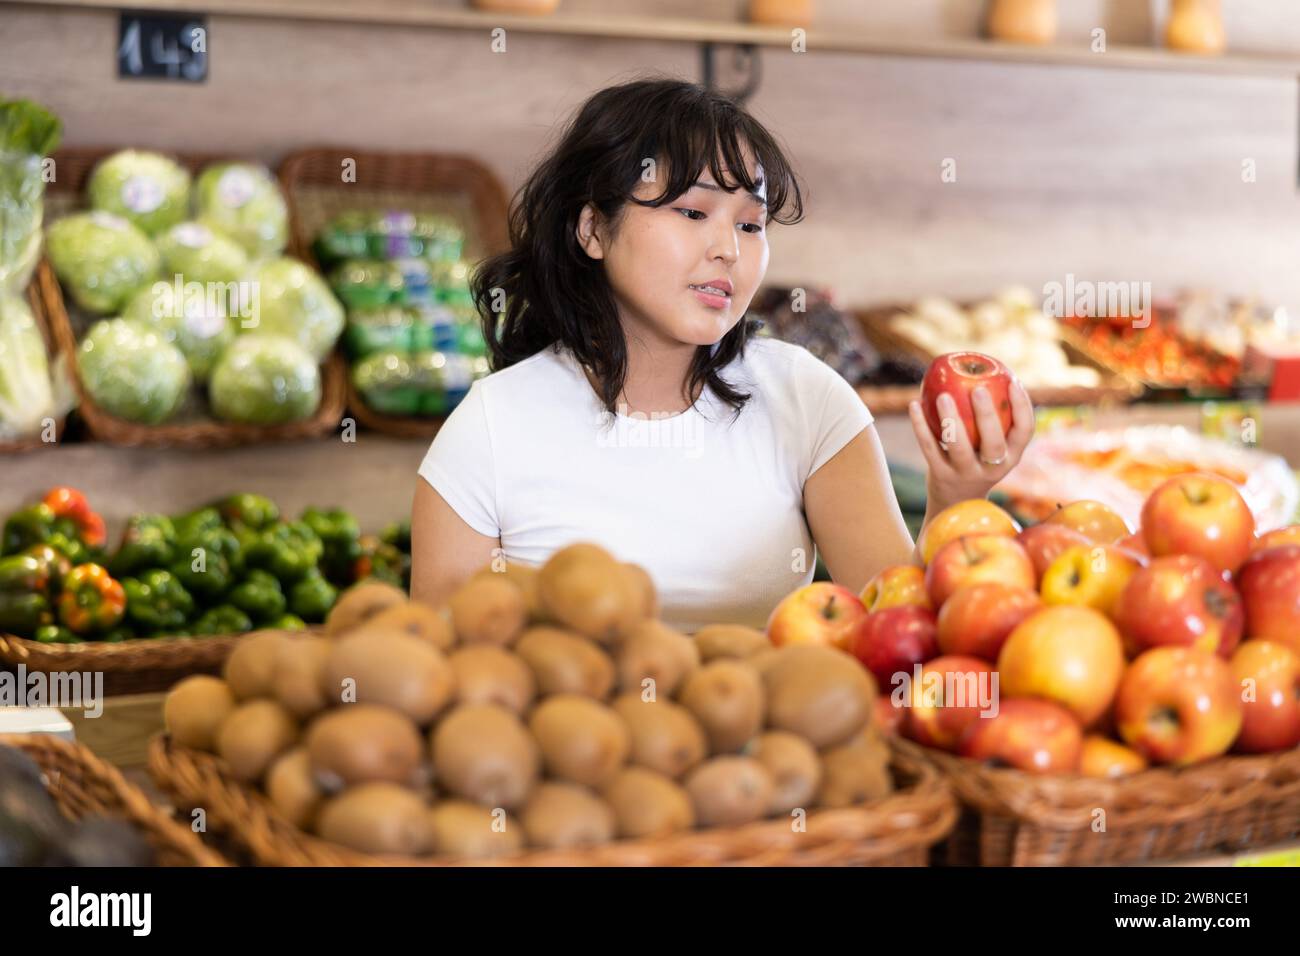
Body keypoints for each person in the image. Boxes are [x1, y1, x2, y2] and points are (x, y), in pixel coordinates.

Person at [411, 77, 1033, 633]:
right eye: (692, 211)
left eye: (749, 224)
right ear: (594, 229)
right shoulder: (492, 426)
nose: (729, 251)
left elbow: (899, 628)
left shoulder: (808, 401)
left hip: (772, 753)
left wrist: (958, 499)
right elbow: (439, 668)